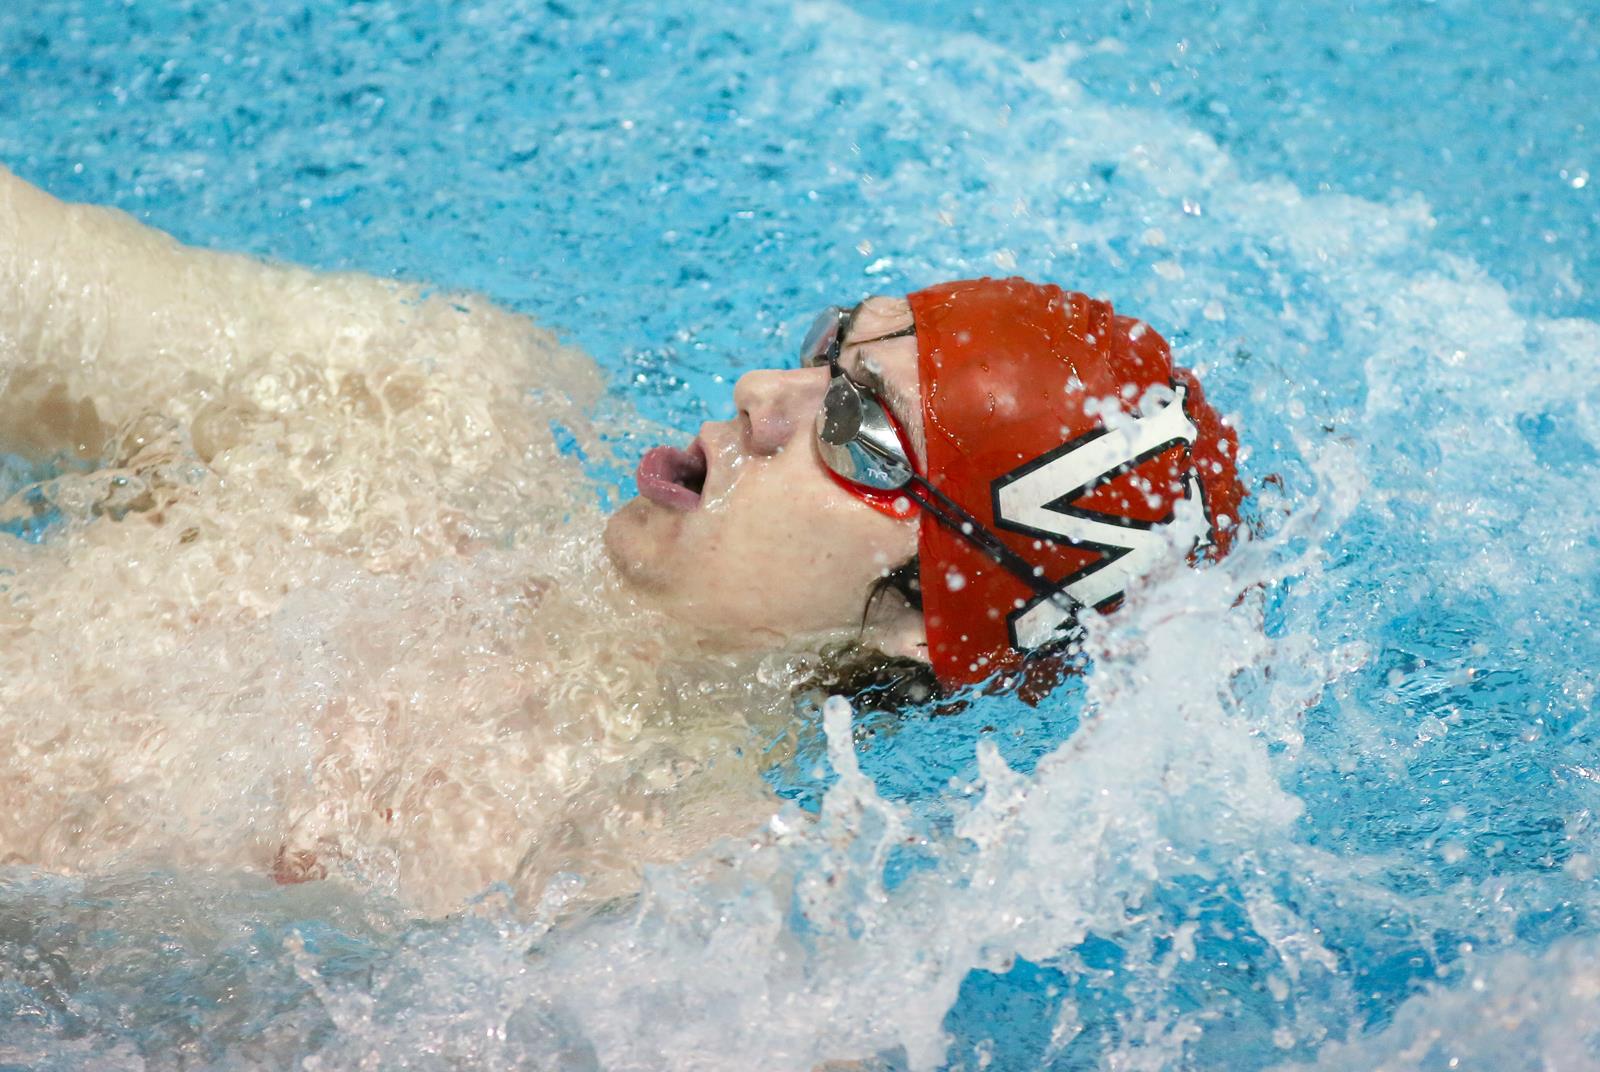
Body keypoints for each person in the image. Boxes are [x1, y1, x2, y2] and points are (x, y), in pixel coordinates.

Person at [0, 166, 1242, 914]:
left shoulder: (652, 906)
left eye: (861, 433)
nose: (763, 392)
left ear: (925, 615)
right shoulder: (407, 402)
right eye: (828, 352)